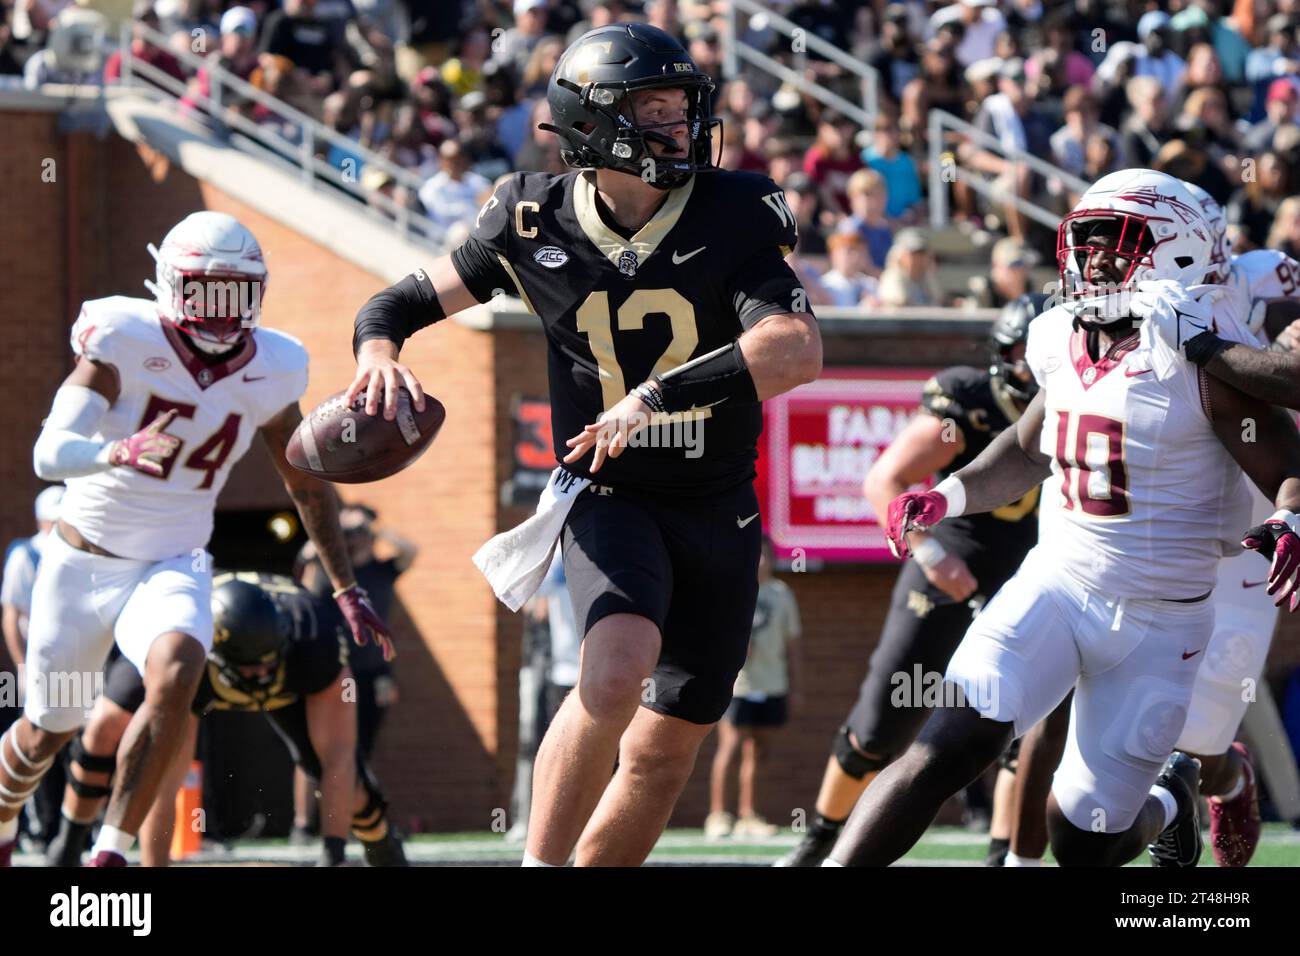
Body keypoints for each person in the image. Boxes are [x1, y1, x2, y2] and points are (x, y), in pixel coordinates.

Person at [346, 23, 821, 867]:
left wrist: (655, 394)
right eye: (656, 109)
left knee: (669, 746)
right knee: (611, 675)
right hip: (611, 489)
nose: (681, 125)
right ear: (596, 125)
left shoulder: (732, 209)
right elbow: (396, 305)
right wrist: (378, 353)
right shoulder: (530, 216)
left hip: (719, 502)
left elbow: (794, 349)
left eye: (682, 106)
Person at [827, 168, 1300, 868]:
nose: (1096, 259)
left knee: (1083, 839)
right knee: (946, 746)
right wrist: (949, 495)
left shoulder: (1209, 354)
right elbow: (1026, 448)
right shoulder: (1055, 333)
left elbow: (1286, 459)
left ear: (1177, 250)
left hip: (1161, 617)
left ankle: (1174, 796)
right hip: (1056, 582)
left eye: (1119, 243)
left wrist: (1289, 520)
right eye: (1089, 242)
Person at [0, 211, 391, 868]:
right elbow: (50, 453)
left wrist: (346, 585)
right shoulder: (123, 334)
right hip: (82, 558)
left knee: (180, 668)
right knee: (49, 731)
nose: (220, 312)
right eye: (205, 292)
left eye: (234, 294)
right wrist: (118, 451)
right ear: (170, 286)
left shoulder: (274, 363)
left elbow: (305, 482)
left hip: (172, 560)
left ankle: (111, 854)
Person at [776, 295, 1045, 867]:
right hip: (948, 570)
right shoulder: (970, 403)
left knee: (1026, 725)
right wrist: (929, 554)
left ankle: (1002, 855)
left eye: (1039, 353)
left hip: (1031, 575)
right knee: (882, 725)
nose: (1030, 367)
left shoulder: (1082, 400)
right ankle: (819, 842)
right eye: (1021, 353)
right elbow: (885, 480)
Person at [46, 573, 407, 867]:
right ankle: (70, 838)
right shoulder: (186, 650)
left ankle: (382, 846)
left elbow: (339, 757)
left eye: (269, 661)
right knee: (105, 729)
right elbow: (165, 780)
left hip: (292, 673)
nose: (262, 673)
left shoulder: (313, 636)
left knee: (342, 778)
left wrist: (333, 855)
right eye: (252, 668)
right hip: (190, 663)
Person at [706, 536, 802, 839]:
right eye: (756, 555)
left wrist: (796, 688)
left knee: (758, 751)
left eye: (766, 556)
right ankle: (718, 815)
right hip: (739, 685)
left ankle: (749, 815)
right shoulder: (734, 589)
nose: (761, 561)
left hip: (772, 682)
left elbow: (793, 643)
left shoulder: (782, 594)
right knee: (731, 747)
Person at [0, 486, 65, 847]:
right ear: (42, 520)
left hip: (78, 665)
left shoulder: (82, 552)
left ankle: (74, 830)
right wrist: (22, 666)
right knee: (35, 744)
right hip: (39, 667)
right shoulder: (27, 554)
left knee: (77, 745)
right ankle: (38, 829)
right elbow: (12, 613)